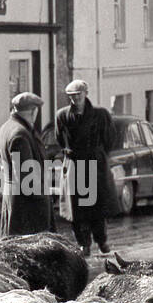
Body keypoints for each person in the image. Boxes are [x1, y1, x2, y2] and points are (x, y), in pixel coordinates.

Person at [56, 79, 117, 256]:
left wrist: (98, 155)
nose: (75, 98)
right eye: (71, 96)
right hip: (75, 164)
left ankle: (102, 240)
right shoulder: (63, 116)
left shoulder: (101, 115)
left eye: (78, 94)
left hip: (95, 164)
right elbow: (60, 138)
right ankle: (84, 243)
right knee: (77, 209)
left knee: (97, 207)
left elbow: (109, 139)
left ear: (86, 93)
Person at [0, 92, 51, 236]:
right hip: (27, 206)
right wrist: (43, 200)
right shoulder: (20, 133)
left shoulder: (6, 128)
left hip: (13, 199)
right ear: (33, 111)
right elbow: (26, 178)